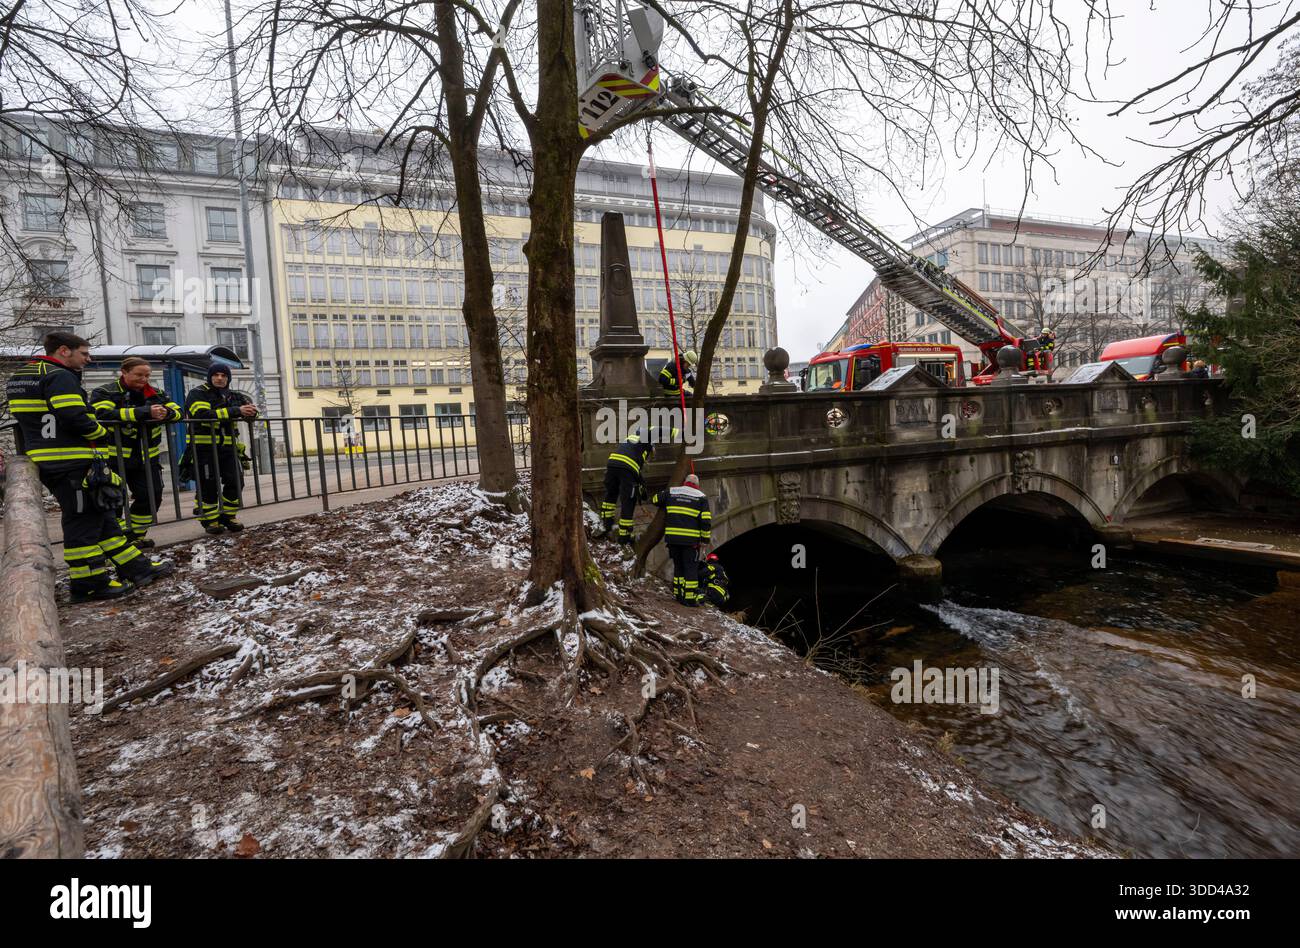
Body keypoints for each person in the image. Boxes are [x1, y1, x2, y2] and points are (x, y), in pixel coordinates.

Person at [5, 332, 173, 602]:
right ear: (63, 350)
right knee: (82, 521)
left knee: (103, 517)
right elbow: (74, 414)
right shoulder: (59, 375)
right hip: (70, 459)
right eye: (84, 353)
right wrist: (100, 434)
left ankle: (137, 568)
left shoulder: (22, 376)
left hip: (51, 456)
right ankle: (89, 583)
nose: (88, 359)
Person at [89, 356, 182, 549]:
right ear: (124, 372)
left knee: (152, 495)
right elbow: (101, 415)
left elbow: (179, 412)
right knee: (114, 499)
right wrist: (142, 413)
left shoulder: (156, 393)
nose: (144, 379)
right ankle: (115, 541)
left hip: (147, 458)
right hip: (114, 458)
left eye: (147, 375)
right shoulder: (105, 391)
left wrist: (167, 413)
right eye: (139, 375)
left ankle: (134, 535)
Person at [185, 364, 258, 535]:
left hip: (228, 447)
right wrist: (235, 411)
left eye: (223, 375)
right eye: (216, 375)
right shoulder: (198, 393)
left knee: (236, 481)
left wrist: (250, 413)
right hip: (203, 448)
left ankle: (228, 516)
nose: (220, 378)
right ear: (210, 377)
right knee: (208, 485)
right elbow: (201, 415)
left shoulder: (234, 395)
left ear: (228, 378)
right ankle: (210, 520)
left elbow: (253, 412)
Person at [652, 473, 711, 606]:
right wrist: (705, 540)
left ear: (685, 482)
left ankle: (679, 594)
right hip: (691, 541)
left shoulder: (672, 491)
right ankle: (689, 599)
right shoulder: (701, 497)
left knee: (678, 566)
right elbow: (706, 521)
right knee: (690, 568)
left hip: (673, 539)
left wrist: (666, 494)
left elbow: (655, 499)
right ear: (697, 485)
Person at [600, 431, 654, 543]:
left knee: (611, 494)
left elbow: (636, 472)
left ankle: (606, 523)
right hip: (627, 468)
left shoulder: (629, 440)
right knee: (628, 500)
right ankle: (624, 536)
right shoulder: (646, 442)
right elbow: (635, 470)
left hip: (612, 464)